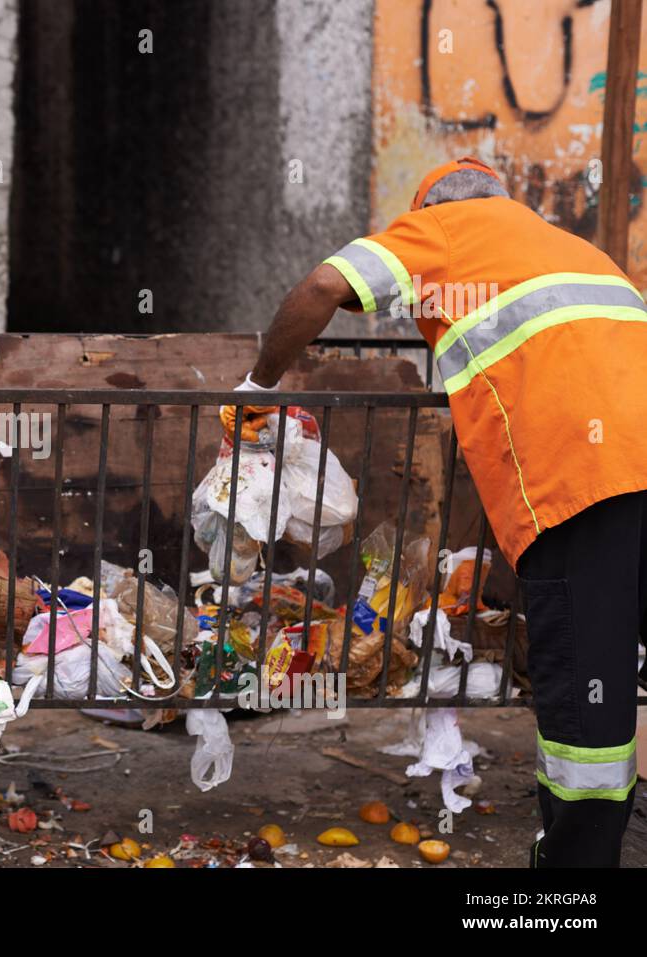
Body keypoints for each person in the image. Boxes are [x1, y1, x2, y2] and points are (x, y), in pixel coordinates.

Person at [232, 156, 647, 867]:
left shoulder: (447, 233)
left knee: (586, 707)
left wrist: (256, 383)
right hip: (623, 467)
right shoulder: (580, 253)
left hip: (586, 485)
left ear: (431, 214)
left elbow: (326, 284)